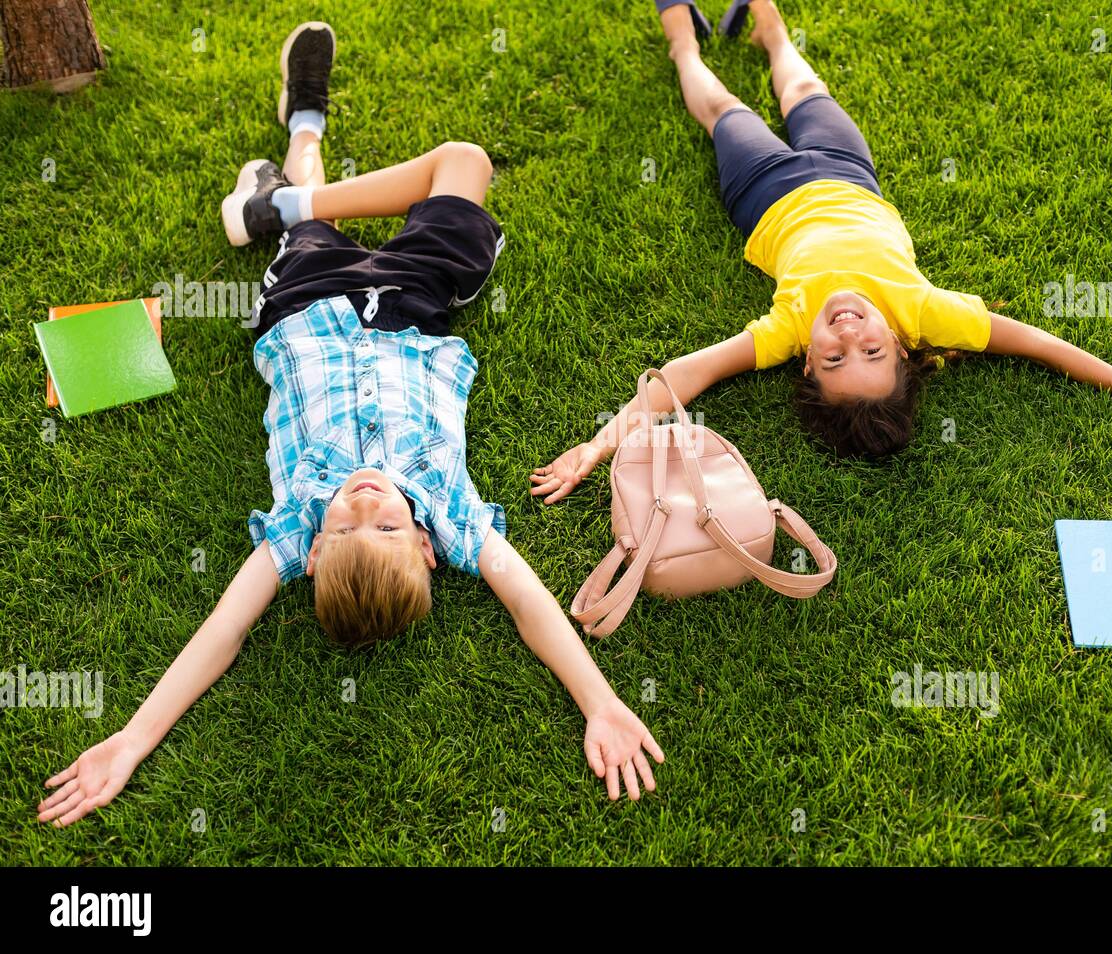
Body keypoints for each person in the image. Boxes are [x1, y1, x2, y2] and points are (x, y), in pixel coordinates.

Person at [37, 22, 662, 827]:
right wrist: (600, 702)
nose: (364, 500)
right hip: (412, 306)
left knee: (310, 232)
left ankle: (302, 136)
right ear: (429, 549)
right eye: (388, 525)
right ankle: (282, 203)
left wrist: (129, 741)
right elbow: (531, 603)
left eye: (345, 525)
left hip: (308, 308)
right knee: (464, 161)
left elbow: (221, 634)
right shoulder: (454, 513)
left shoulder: (294, 525)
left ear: (314, 549)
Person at [530, 0, 1112, 503]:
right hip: (850, 174)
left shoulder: (786, 329)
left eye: (834, 358)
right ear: (901, 347)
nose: (847, 335)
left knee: (725, 112)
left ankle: (681, 35)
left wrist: (600, 445)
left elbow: (681, 377)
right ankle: (770, 26)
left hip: (765, 193)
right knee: (804, 86)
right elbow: (1041, 345)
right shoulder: (926, 313)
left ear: (806, 359)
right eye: (870, 352)